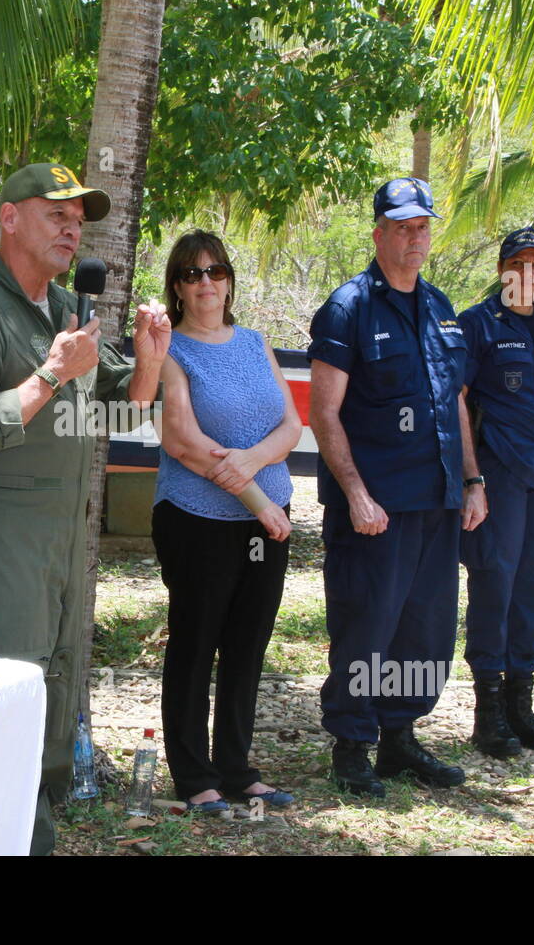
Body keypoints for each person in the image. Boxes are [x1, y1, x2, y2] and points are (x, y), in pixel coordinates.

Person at [0, 162, 170, 853]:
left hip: (62, 545)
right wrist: (51, 372)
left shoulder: (67, 311)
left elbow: (129, 407)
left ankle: (36, 839)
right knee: (2, 706)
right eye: (55, 212)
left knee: (50, 707)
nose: (71, 227)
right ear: (7, 218)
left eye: (79, 218)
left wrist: (149, 358)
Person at [307, 177, 481, 798]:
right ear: (378, 232)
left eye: (422, 226)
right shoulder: (348, 307)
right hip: (375, 507)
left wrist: (472, 479)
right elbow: (324, 412)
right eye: (401, 227)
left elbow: (454, 402)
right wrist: (355, 493)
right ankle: (352, 745)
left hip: (437, 499)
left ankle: (400, 737)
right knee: (367, 623)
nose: (413, 237)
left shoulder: (439, 307)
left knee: (426, 626)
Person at [153, 230, 299, 814]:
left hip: (267, 519)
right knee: (196, 642)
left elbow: (290, 425)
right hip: (197, 518)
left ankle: (236, 768)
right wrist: (258, 501)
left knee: (248, 642)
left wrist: (254, 463)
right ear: (177, 287)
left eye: (216, 271)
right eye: (192, 274)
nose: (206, 282)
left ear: (230, 280)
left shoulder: (257, 341)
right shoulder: (171, 351)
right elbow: (184, 442)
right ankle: (194, 777)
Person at [458, 227, 534, 758]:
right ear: (502, 267)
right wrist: (471, 479)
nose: (527, 273)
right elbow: (457, 399)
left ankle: (519, 707)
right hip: (499, 476)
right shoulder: (477, 323)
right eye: (517, 262)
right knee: (495, 584)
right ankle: (488, 715)